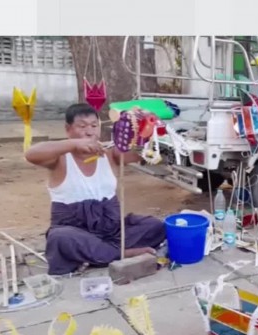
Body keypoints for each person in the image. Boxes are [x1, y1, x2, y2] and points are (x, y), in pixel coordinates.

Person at [24, 103, 165, 275]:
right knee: (60, 238)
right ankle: (119, 254)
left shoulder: (110, 154)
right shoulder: (60, 159)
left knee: (155, 226)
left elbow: (146, 154)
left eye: (94, 126)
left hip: (113, 231)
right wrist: (75, 144)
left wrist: (145, 127)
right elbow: (31, 154)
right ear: (68, 129)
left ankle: (99, 255)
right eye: (82, 126)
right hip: (78, 233)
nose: (90, 132)